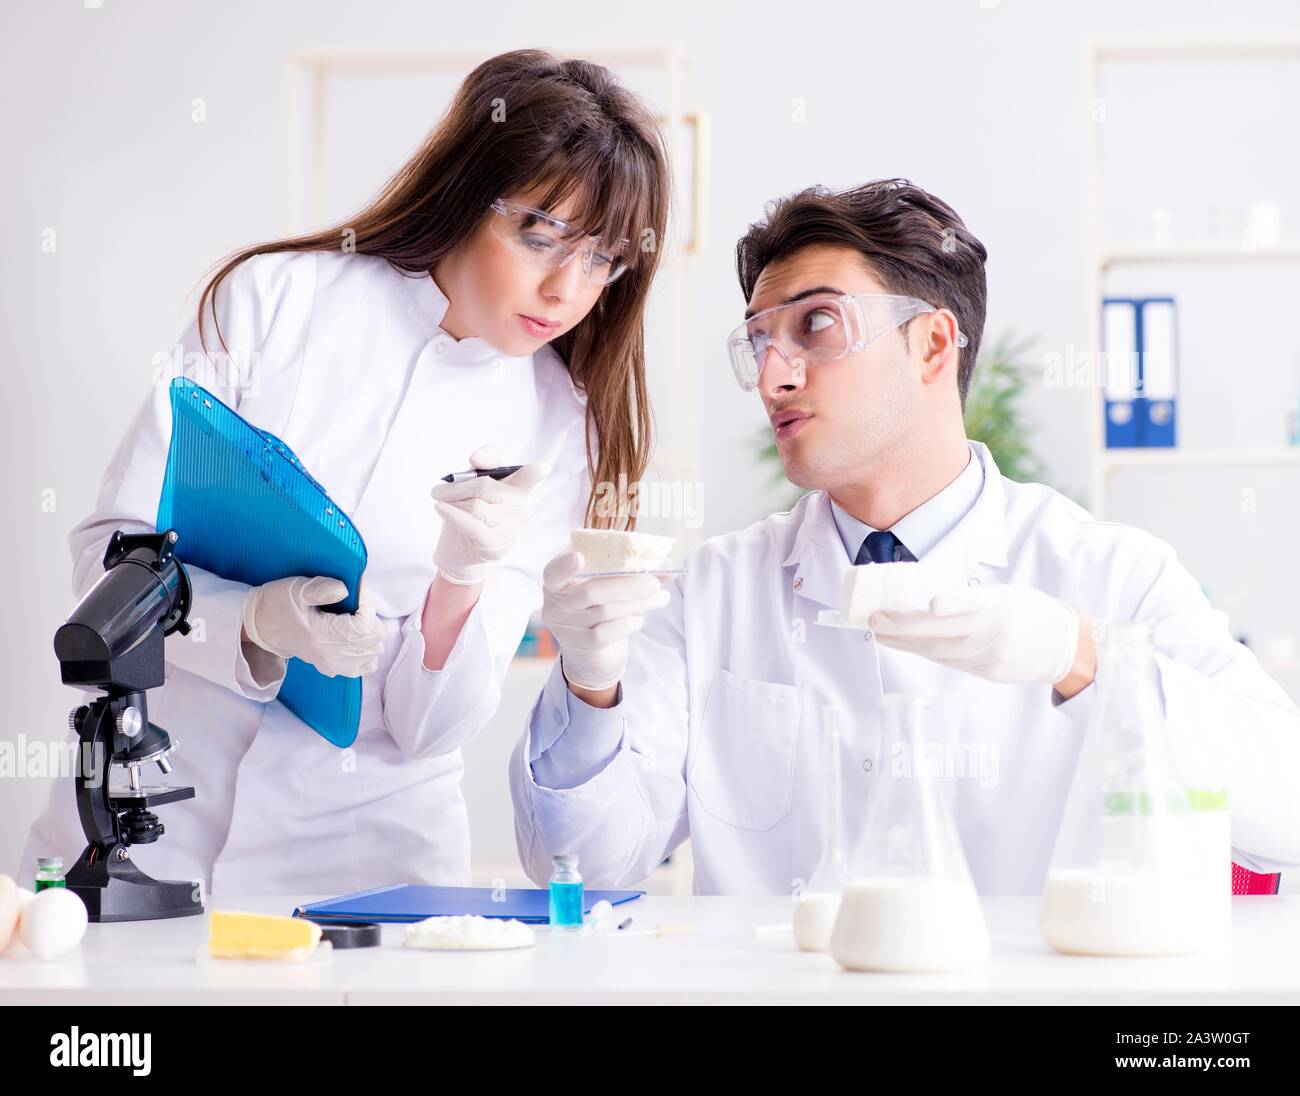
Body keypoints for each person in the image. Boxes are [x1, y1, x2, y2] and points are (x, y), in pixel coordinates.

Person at [511, 179, 1300, 896]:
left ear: (931, 343)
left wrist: (1081, 657)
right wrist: (590, 687)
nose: (772, 376)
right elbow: (579, 867)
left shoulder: (1110, 573)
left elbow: (1284, 814)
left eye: (817, 324)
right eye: (759, 342)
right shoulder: (711, 593)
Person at [21, 50, 669, 896]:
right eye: (540, 234)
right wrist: (249, 623)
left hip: (367, 870)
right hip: (141, 834)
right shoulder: (276, 302)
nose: (565, 287)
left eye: (603, 260)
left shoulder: (563, 427)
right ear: (468, 190)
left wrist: (460, 582)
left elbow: (430, 728)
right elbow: (105, 564)